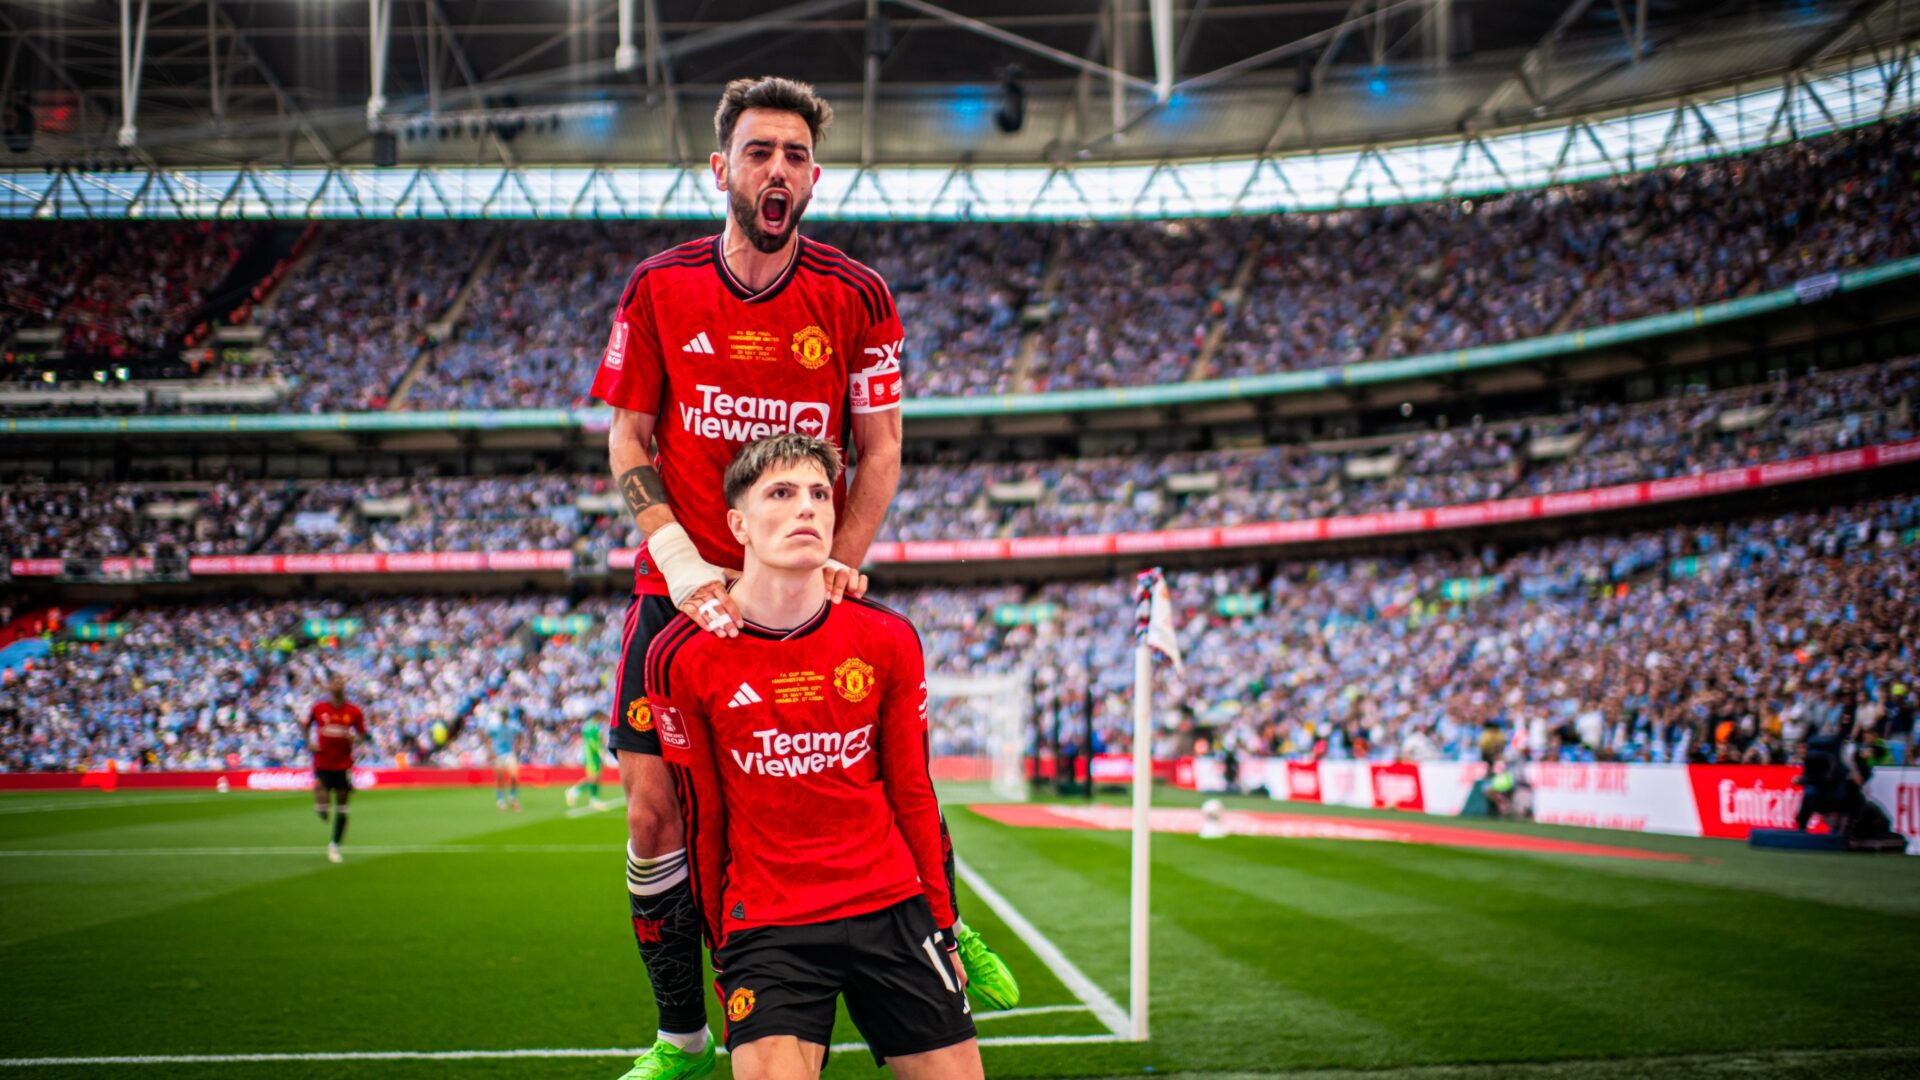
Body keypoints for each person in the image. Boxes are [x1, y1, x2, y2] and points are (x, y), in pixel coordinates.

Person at [587, 75, 1014, 1080]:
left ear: (813, 176)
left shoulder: (858, 295)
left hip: (801, 579)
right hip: (678, 594)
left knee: (862, 772)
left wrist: (842, 561)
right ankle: (682, 1035)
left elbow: (883, 445)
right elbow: (627, 435)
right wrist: (681, 555)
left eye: (793, 156)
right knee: (658, 813)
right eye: (757, 152)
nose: (775, 170)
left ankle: (935, 930)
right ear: (720, 168)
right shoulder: (658, 287)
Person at [652, 435, 982, 1080]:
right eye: (782, 493)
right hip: (769, 926)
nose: (807, 508)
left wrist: (943, 923)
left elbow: (914, 792)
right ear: (737, 525)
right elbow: (700, 816)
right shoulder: (680, 655)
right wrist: (723, 948)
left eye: (819, 494)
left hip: (891, 908)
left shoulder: (886, 636)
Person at [305, 673, 368, 864]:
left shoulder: (354, 711)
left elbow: (363, 735)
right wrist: (309, 742)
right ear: (329, 685)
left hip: (343, 764)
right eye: (335, 681)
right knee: (323, 801)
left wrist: (355, 738)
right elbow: (306, 725)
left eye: (341, 681)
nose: (338, 684)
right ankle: (321, 807)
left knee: (342, 806)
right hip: (323, 762)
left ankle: (335, 845)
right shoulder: (319, 708)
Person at [568, 711, 611, 810]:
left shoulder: (592, 726)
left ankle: (594, 799)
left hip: (592, 755)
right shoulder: (591, 726)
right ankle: (575, 791)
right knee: (593, 777)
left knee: (595, 778)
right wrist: (601, 751)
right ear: (597, 716)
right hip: (591, 755)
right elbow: (593, 742)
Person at [486, 704, 525, 811]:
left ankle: (512, 798)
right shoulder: (494, 727)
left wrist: (518, 746)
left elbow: (521, 735)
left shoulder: (513, 726)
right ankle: (501, 800)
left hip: (509, 753)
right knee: (500, 779)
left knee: (514, 776)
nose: (504, 717)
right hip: (498, 754)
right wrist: (490, 751)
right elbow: (487, 737)